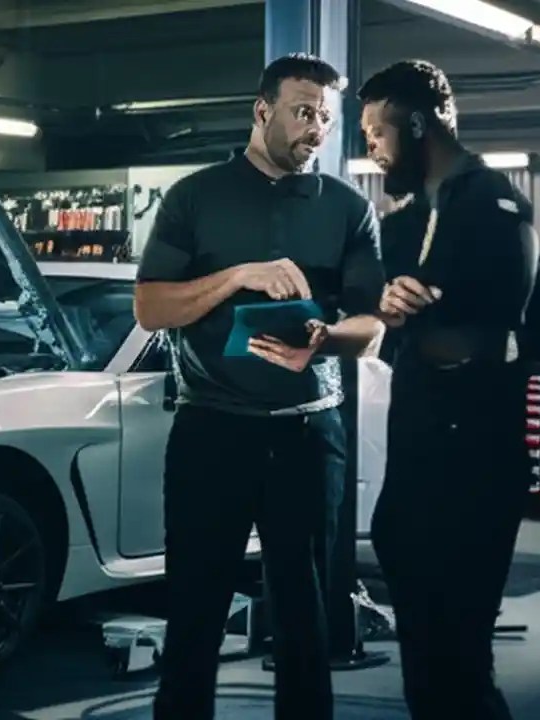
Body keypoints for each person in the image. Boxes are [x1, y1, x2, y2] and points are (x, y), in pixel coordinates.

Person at [133, 53, 386, 720]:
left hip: (308, 433)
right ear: (262, 110)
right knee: (195, 606)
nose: (316, 128)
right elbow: (151, 308)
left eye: (327, 118)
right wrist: (239, 276)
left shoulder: (349, 210)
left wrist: (326, 340)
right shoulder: (196, 197)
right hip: (211, 429)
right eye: (304, 111)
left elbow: (372, 327)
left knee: (305, 616)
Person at [357, 60, 540, 719]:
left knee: (459, 672)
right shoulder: (404, 224)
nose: (370, 147)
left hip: (473, 483)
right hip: (420, 481)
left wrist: (481, 341)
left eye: (376, 131)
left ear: (417, 124)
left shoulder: (492, 207)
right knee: (432, 674)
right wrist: (388, 310)